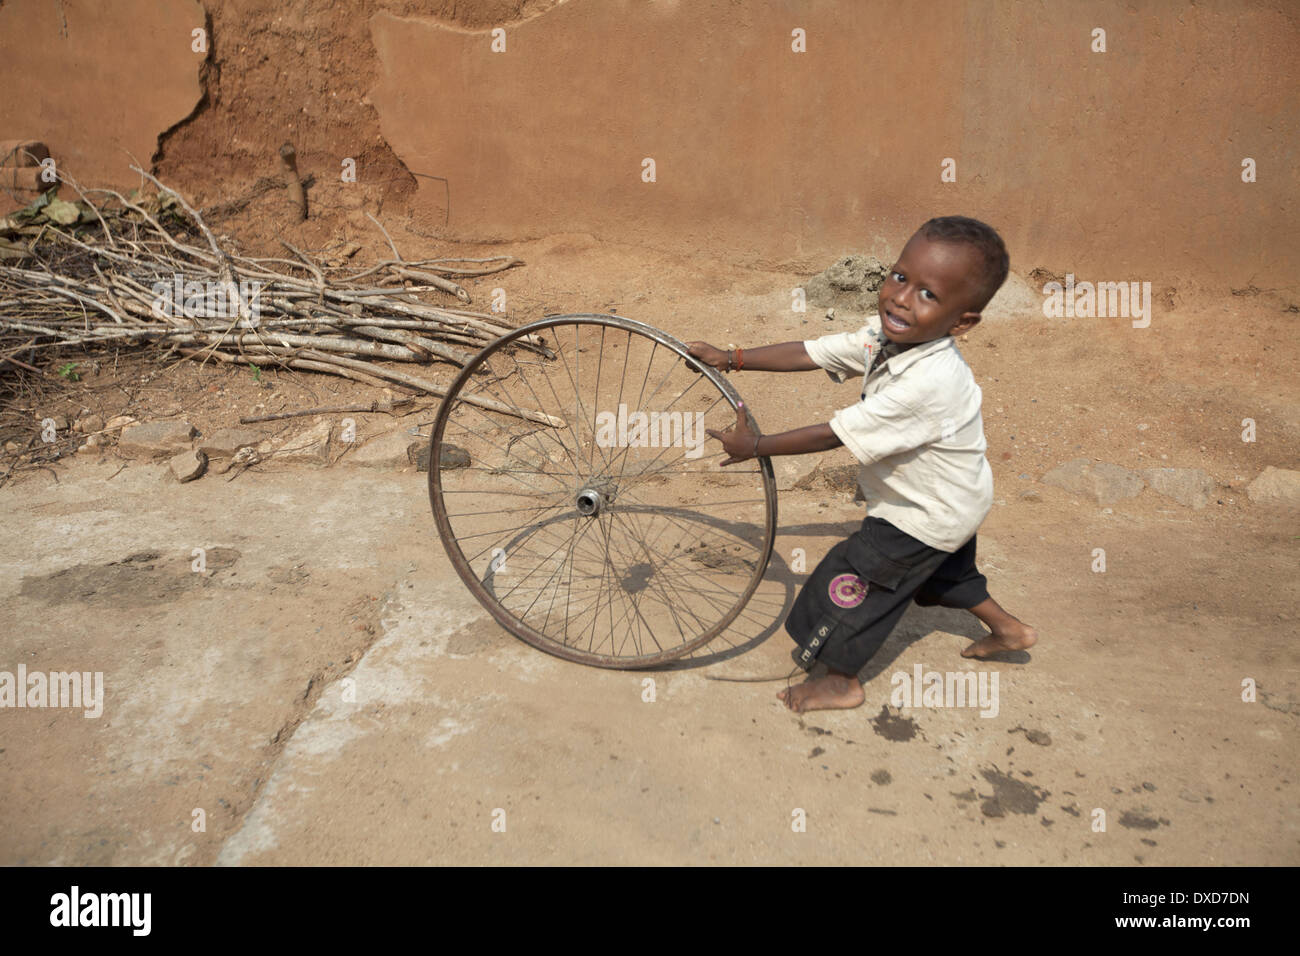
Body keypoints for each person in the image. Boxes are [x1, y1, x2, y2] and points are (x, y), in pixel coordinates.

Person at [687, 215, 1037, 714]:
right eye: (900, 277)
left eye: (928, 295)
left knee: (848, 582)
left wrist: (756, 446)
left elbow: (834, 435)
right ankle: (1010, 630)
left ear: (962, 323)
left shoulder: (931, 382)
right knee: (943, 574)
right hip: (954, 499)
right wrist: (732, 357)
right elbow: (814, 351)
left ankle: (842, 680)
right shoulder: (887, 337)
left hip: (922, 513)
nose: (901, 298)